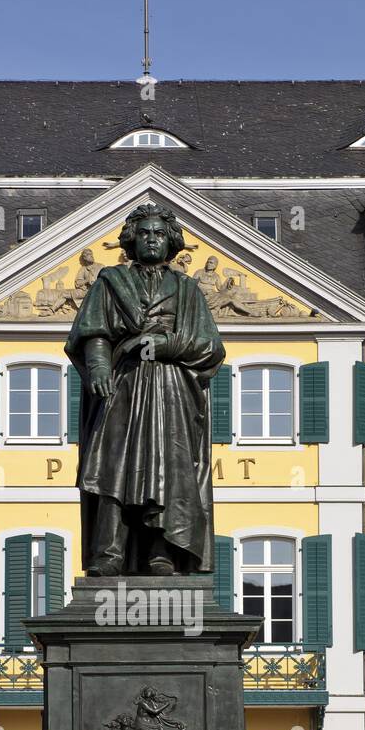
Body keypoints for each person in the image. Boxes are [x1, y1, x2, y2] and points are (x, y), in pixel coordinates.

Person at [65, 203, 225, 576]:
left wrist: (165, 344)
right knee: (110, 467)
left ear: (170, 241)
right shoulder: (110, 281)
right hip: (124, 385)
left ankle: (162, 551)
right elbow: (93, 331)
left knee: (169, 470)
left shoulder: (187, 289)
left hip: (171, 392)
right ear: (131, 240)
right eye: (144, 233)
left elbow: (209, 345)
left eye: (158, 233)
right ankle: (108, 552)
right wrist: (101, 366)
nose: (151, 239)